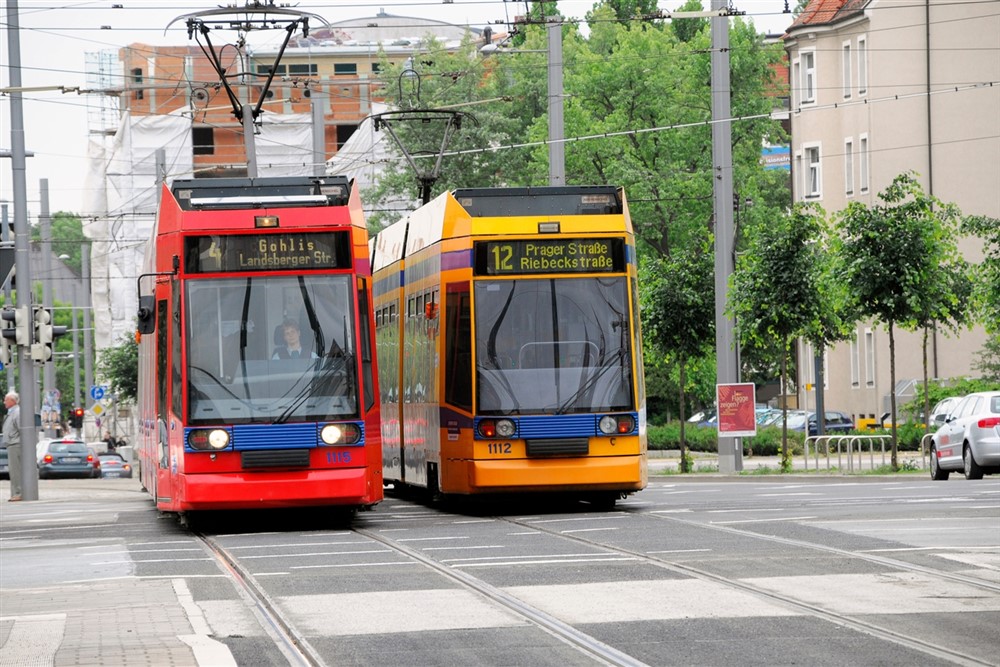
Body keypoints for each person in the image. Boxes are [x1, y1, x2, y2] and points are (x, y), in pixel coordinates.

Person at [3, 391, 22, 502]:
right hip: (12, 443)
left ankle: (18, 493)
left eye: (6, 399)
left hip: (15, 444)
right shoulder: (12, 412)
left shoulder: (17, 412)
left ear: (12, 401)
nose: (4, 402)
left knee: (16, 471)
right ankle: (16, 493)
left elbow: (21, 429)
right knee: (14, 471)